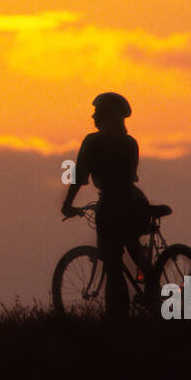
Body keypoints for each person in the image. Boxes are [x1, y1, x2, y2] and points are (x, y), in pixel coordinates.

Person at [62, 92, 146, 320]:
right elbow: (130, 178)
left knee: (112, 263)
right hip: (136, 202)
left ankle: (117, 319)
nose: (93, 116)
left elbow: (79, 176)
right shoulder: (131, 143)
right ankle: (152, 282)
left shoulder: (93, 141)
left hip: (111, 205)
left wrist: (68, 204)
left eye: (97, 112)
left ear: (108, 115)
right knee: (132, 244)